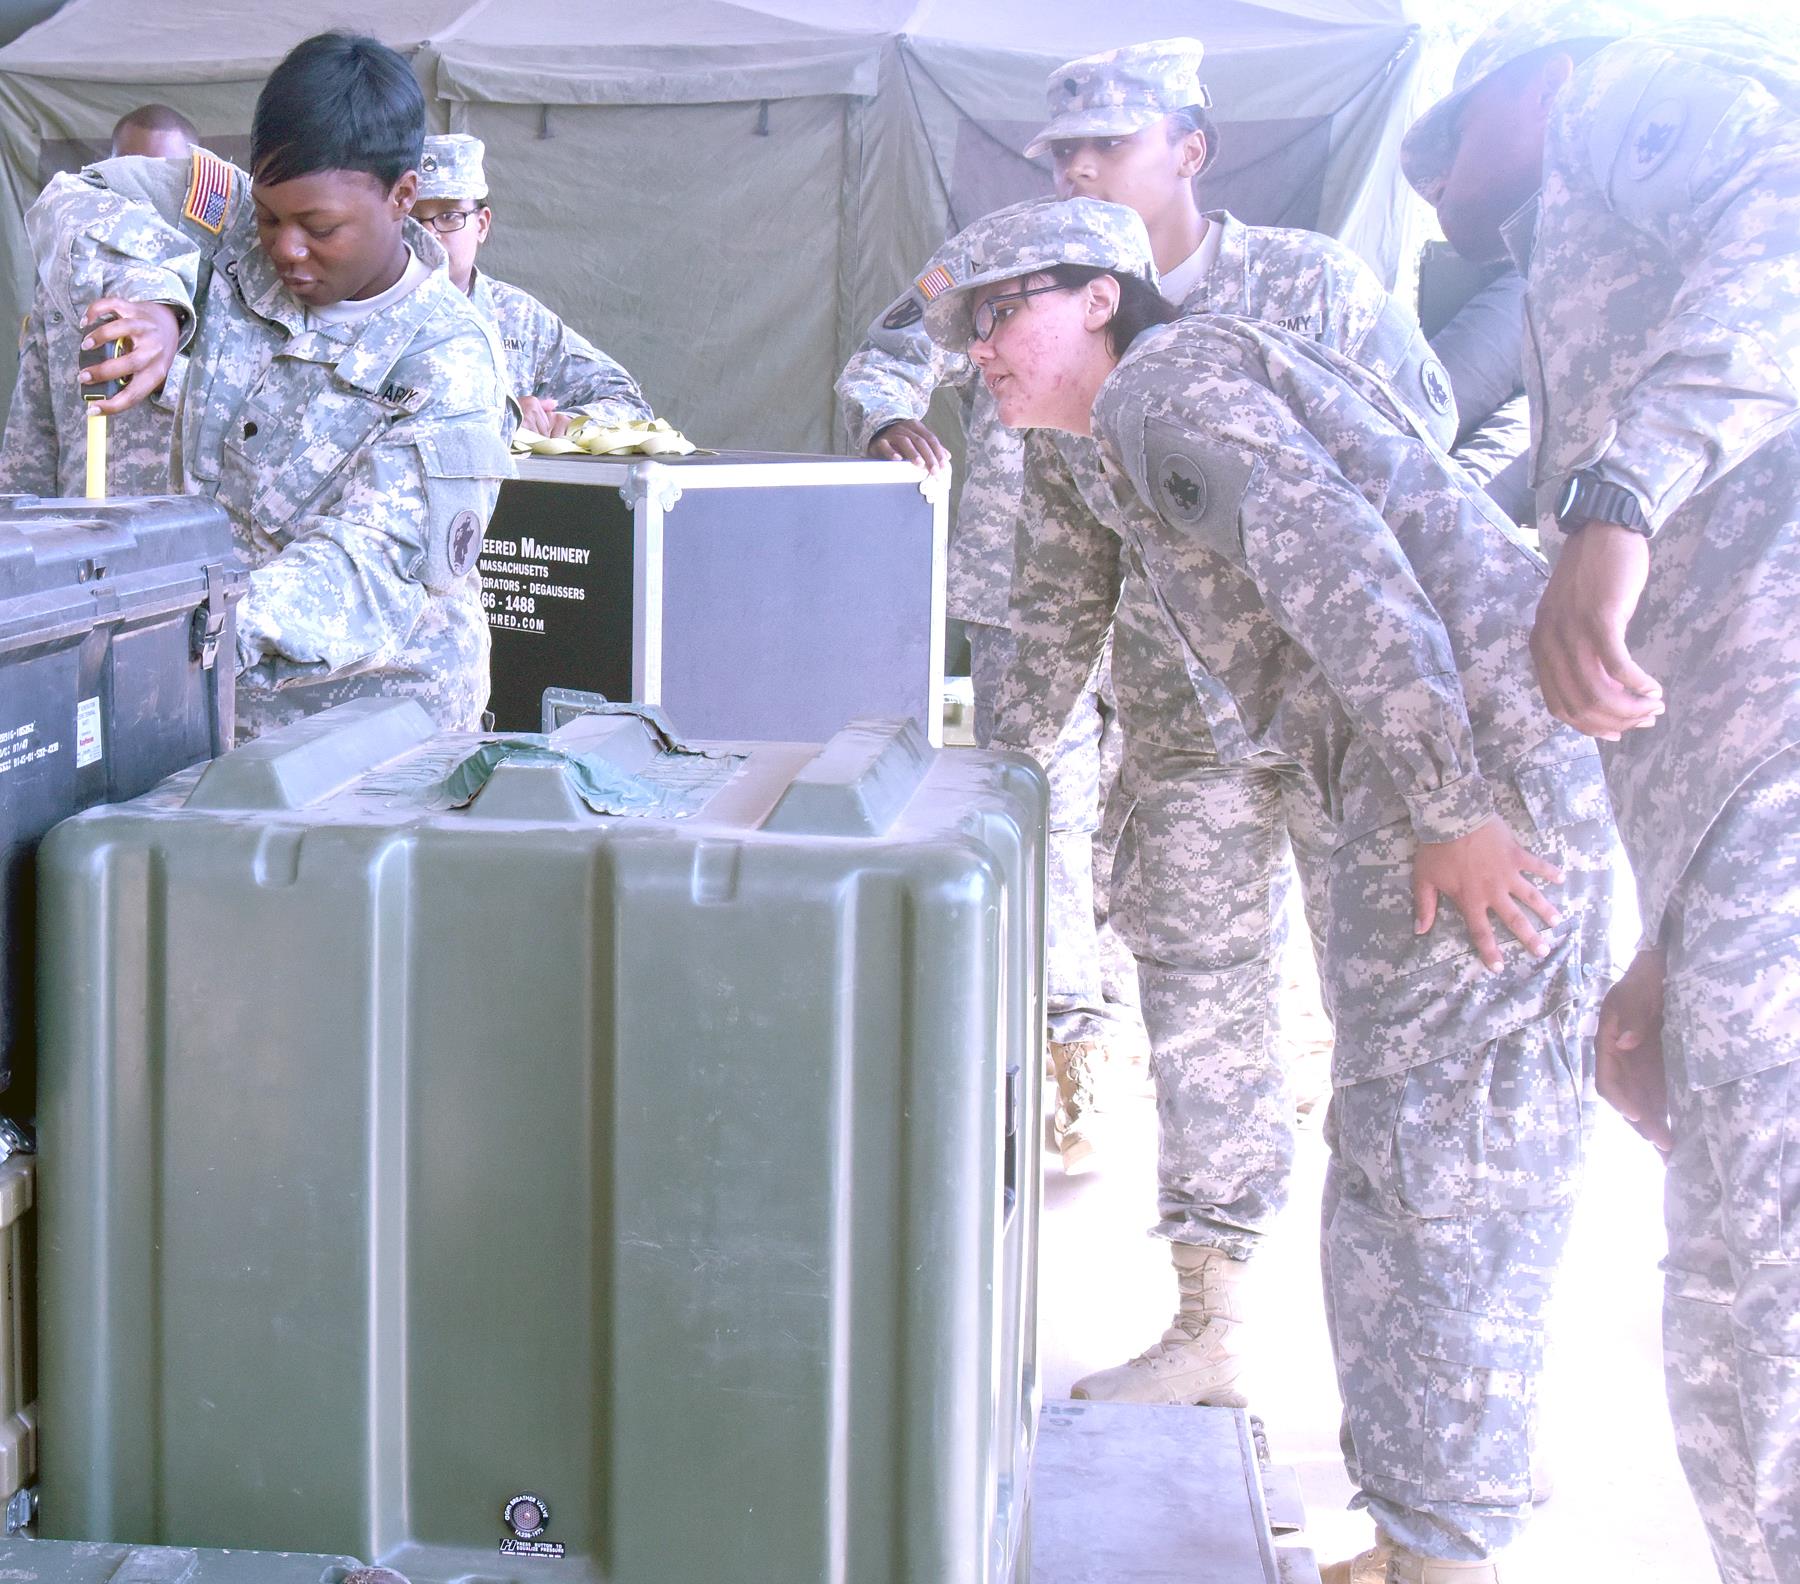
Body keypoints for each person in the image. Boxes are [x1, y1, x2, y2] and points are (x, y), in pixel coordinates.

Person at [923, 195, 1615, 1584]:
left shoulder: (1171, 392)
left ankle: (1445, 1539)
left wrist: (1452, 808)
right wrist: (969, 792)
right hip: (1409, 770)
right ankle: (1432, 1518)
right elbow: (1049, 625)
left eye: (1003, 314)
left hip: (1465, 780)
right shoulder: (1098, 435)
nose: (977, 353)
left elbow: (1359, 584)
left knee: (1445, 1164)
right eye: (964, 331)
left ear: (1102, 295)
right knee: (1408, 1149)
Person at [985, 39, 1460, 1413]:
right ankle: (1213, 1327)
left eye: (1110, 145)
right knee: (1199, 1020)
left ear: (1191, 148)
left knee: (1400, 1034)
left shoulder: (1307, 283)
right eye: (1064, 152)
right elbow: (1061, 571)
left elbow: (1426, 465)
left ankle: (1433, 1382)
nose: (1081, 168)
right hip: (1184, 734)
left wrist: (1451, 747)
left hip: (1347, 727)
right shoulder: (1057, 321)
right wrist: (1011, 766)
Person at [1405, 7, 1800, 1581]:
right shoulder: (1567, 245)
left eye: (1445, 142)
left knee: (1765, 1261)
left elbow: (1788, 230)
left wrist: (1618, 492)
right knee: (1736, 1250)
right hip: (1733, 815)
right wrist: (1665, 946)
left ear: (1536, 73)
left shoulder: (1636, 98)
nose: (1437, 191)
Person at [24, 33, 513, 739]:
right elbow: (79, 197)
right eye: (270, 216)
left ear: (404, 195)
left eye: (320, 228)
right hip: (180, 712)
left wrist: (165, 624)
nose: (285, 247)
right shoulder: (221, 219)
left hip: (359, 733)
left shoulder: (450, 358)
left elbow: (370, 571)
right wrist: (154, 293)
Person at [0, 104, 200, 497]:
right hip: (81, 537)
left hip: (182, 537)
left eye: (164, 178)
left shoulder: (219, 287)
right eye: (128, 175)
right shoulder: (63, 290)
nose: (143, 197)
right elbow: (31, 435)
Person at [411, 133, 651, 440]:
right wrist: (504, 417)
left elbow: (629, 403)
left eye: (449, 216)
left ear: (481, 225)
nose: (429, 234)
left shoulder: (517, 317)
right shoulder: (354, 313)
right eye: (412, 219)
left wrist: (568, 421)